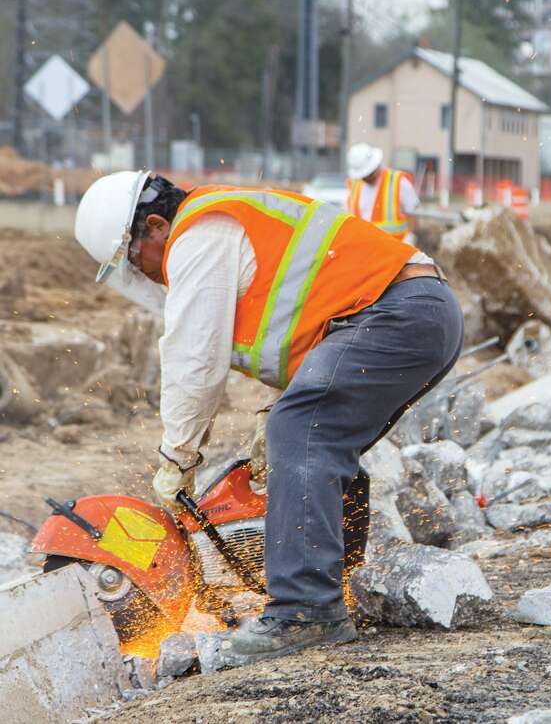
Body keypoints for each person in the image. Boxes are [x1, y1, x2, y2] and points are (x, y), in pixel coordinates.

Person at [73, 171, 463, 663]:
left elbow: (195, 359)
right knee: (320, 440)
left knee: (302, 433)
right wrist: (278, 405)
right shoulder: (226, 219)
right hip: (414, 311)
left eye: (135, 261)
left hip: (398, 313)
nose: (146, 275)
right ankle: (337, 587)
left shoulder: (200, 233)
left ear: (154, 226)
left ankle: (306, 612)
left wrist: (178, 456)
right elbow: (309, 318)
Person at [346, 143, 419, 243]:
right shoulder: (355, 185)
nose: (366, 178)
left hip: (395, 251)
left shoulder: (398, 181)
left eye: (369, 174)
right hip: (365, 249)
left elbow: (412, 215)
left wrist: (410, 238)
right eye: (363, 176)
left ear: (376, 166)